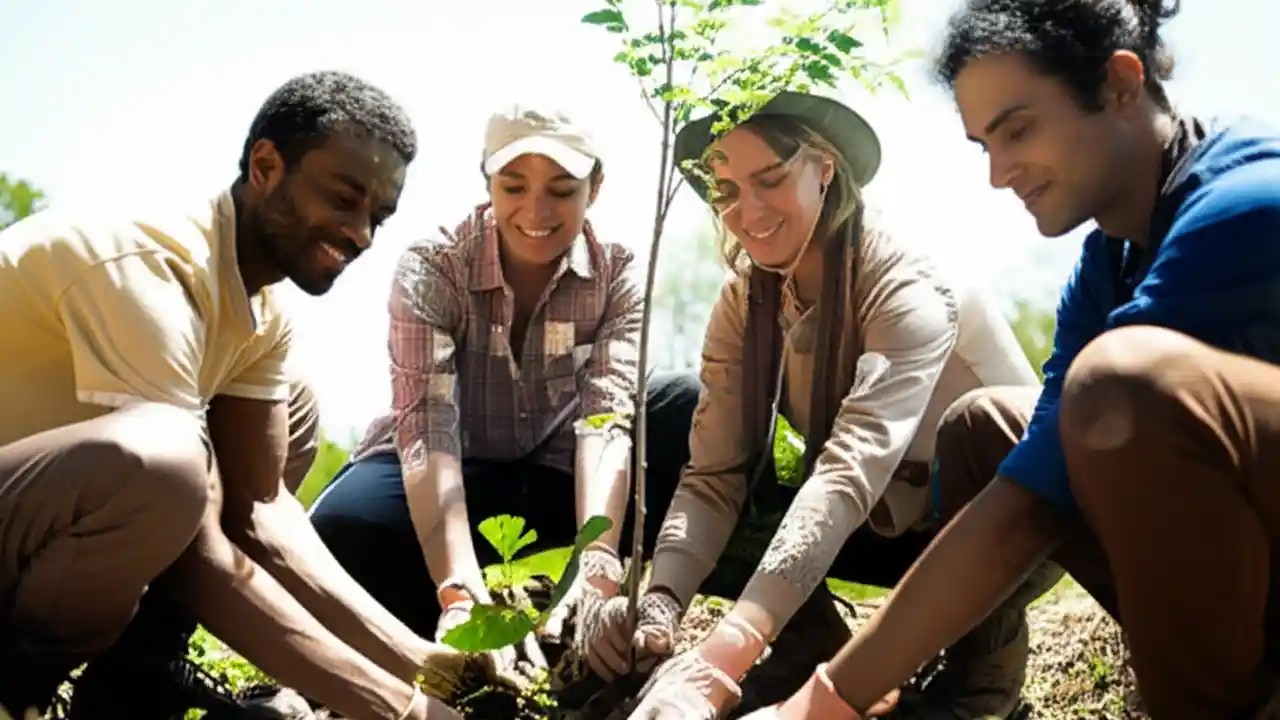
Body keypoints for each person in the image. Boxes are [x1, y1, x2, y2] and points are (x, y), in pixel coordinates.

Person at [740, 1, 1280, 719]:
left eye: (1018, 129)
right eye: (982, 145)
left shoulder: (1245, 206)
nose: (998, 174)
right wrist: (826, 702)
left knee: (1123, 383)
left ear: (1120, 83)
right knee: (991, 426)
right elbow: (1023, 498)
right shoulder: (1106, 263)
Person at [0, 71, 467, 720]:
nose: (361, 233)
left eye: (378, 217)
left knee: (286, 411)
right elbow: (196, 546)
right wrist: (398, 709)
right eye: (344, 197)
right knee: (167, 465)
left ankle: (135, 682)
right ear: (267, 165)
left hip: (34, 517)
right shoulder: (154, 266)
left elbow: (258, 510)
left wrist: (432, 669)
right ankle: (16, 694)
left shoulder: (259, 305)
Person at [576, 89, 1050, 720]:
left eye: (770, 178)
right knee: (668, 414)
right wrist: (661, 602)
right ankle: (807, 642)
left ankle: (980, 685)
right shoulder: (744, 304)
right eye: (726, 192)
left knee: (976, 439)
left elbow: (848, 470)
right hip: (873, 526)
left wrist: (721, 658)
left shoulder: (908, 285)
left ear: (824, 167)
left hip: (1000, 531)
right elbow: (714, 476)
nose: (749, 211)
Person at [309, 102, 701, 678]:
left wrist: (595, 569)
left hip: (558, 468)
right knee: (344, 528)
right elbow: (428, 430)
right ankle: (441, 642)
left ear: (595, 189)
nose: (536, 210)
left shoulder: (617, 273)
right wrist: (459, 594)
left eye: (562, 189)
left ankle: (605, 613)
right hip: (452, 470)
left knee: (683, 407)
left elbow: (605, 418)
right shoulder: (434, 267)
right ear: (488, 182)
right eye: (514, 186)